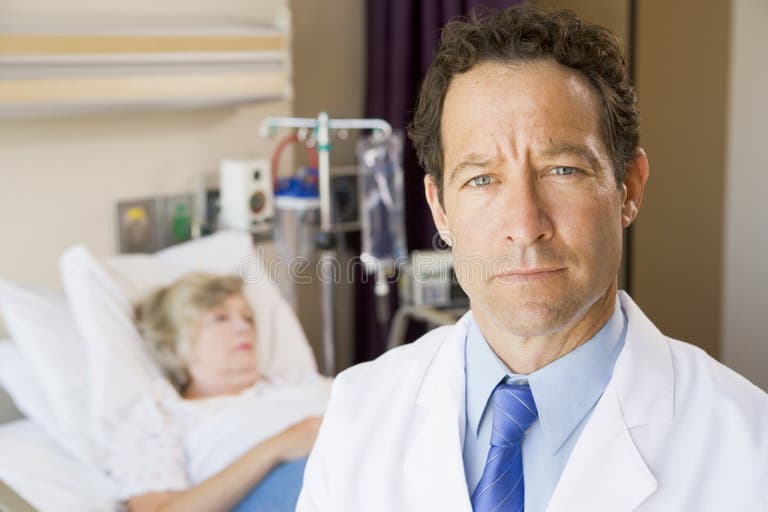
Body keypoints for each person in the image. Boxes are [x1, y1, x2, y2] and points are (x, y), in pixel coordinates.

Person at [298, 5, 768, 512]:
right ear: (439, 209)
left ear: (629, 188)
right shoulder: (358, 412)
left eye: (562, 170)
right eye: (482, 179)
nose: (525, 225)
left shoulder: (748, 446)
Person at [105, 273, 328, 512]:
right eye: (220, 318)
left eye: (248, 318)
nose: (244, 327)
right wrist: (277, 447)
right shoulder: (160, 418)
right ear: (177, 339)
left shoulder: (296, 381)